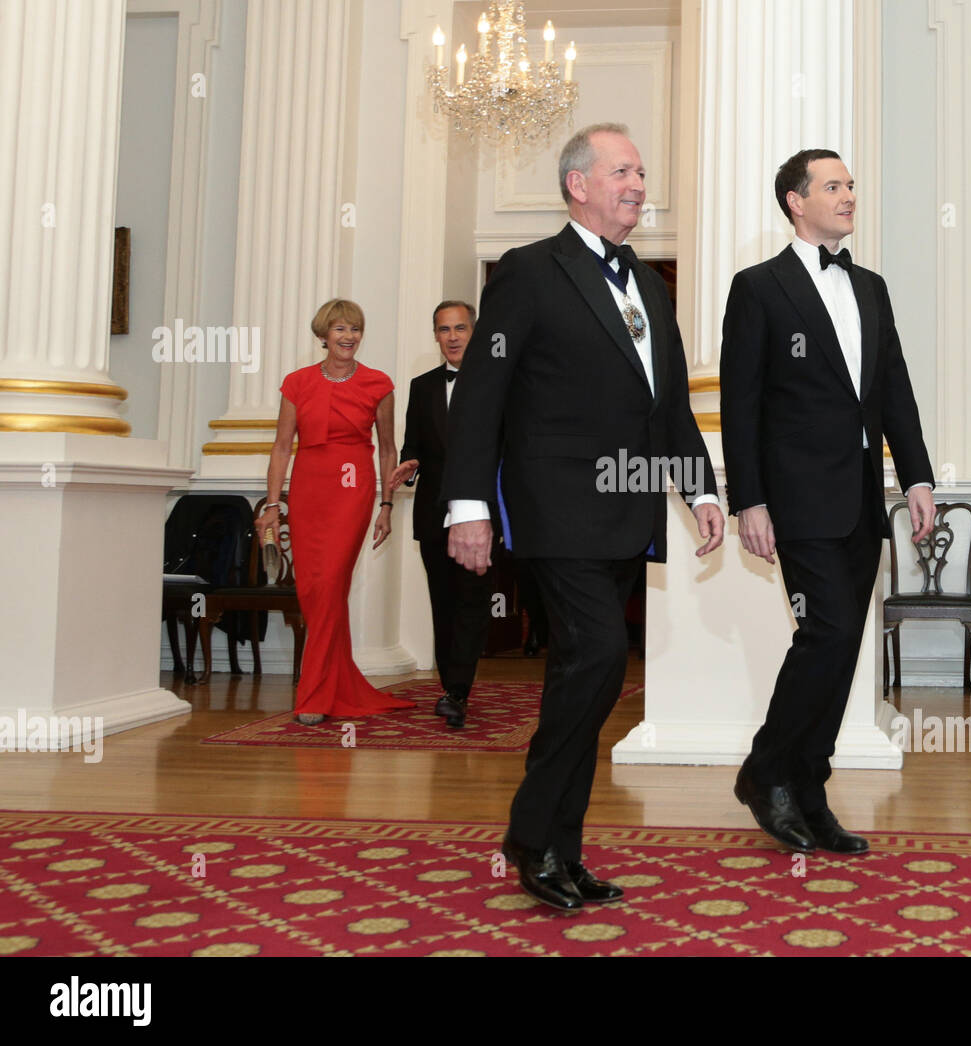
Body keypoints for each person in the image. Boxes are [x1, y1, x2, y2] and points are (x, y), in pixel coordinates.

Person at [440, 123, 726, 911]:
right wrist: (467, 506)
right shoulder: (529, 272)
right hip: (554, 509)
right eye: (623, 170)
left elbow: (668, 404)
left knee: (591, 677)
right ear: (578, 183)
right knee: (597, 656)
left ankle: (558, 846)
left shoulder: (650, 283)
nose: (639, 183)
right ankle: (535, 837)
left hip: (627, 508)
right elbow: (483, 398)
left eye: (642, 171)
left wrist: (699, 490)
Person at [720, 148, 936, 855]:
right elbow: (741, 403)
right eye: (833, 186)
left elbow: (893, 390)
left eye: (851, 186)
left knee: (842, 649)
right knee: (829, 633)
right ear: (795, 200)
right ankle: (767, 772)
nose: (848, 196)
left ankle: (807, 789)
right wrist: (749, 500)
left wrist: (918, 479)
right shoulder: (758, 288)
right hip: (795, 501)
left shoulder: (870, 286)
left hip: (860, 502)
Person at [256, 299, 415, 726]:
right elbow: (281, 446)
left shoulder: (378, 383)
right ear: (324, 335)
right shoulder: (297, 383)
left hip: (351, 487)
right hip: (308, 489)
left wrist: (386, 504)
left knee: (328, 583)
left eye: (355, 329)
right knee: (313, 589)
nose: (349, 337)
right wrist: (273, 505)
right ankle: (336, 682)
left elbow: (387, 447)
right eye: (341, 329)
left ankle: (313, 693)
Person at [390, 301, 497, 729]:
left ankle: (458, 690)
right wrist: (409, 466)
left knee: (473, 602)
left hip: (484, 516)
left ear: (475, 332)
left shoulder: (498, 382)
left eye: (460, 328)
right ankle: (450, 684)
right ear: (435, 336)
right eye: (443, 329)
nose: (452, 336)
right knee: (443, 603)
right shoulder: (422, 386)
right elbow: (412, 444)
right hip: (433, 512)